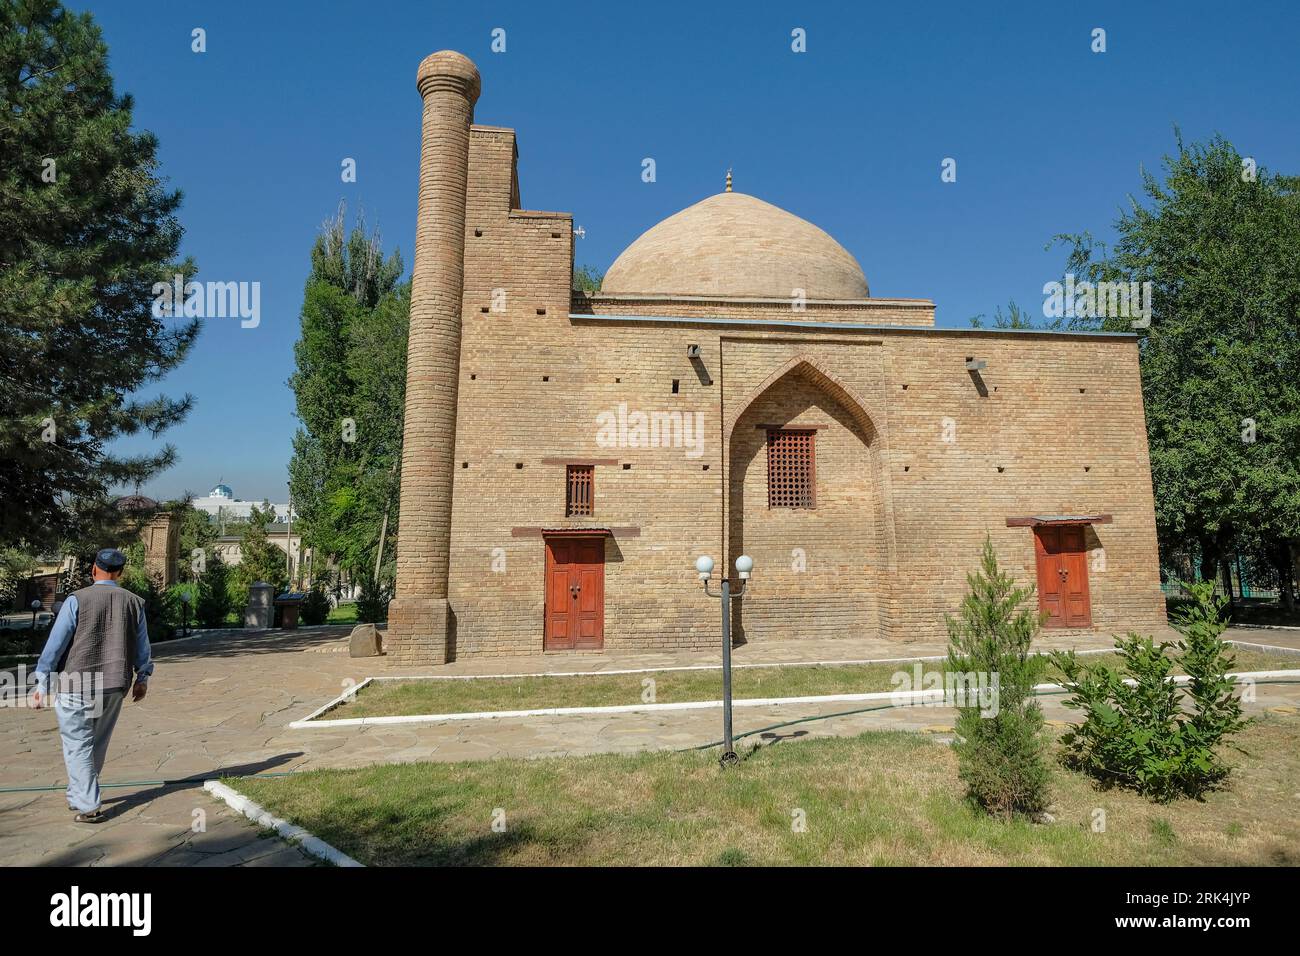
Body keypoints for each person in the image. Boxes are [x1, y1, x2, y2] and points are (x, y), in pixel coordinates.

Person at [31, 548, 154, 823]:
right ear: (120, 573)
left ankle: (88, 805)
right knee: (96, 743)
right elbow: (143, 646)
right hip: (115, 683)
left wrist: (42, 681)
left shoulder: (77, 600)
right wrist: (142, 677)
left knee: (77, 744)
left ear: (93, 570)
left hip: (79, 682)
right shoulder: (134, 602)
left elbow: (56, 644)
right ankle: (79, 794)